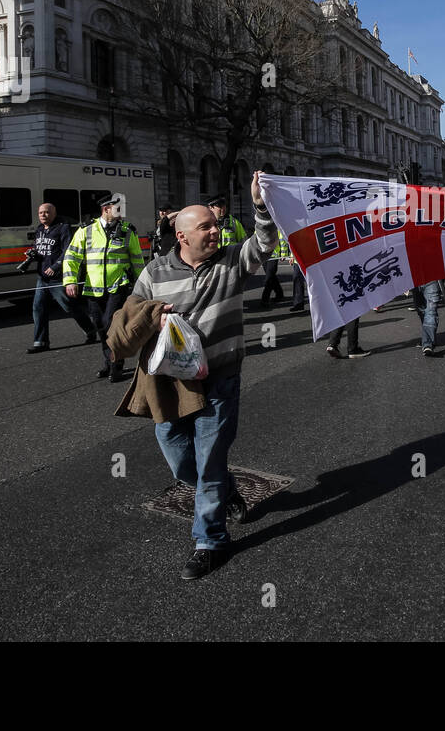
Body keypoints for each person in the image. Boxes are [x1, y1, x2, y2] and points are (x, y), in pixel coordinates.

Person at [107, 173, 276, 580]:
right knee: (181, 460)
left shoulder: (233, 262)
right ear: (182, 236)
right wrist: (151, 316)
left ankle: (209, 541)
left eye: (215, 226)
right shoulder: (154, 272)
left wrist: (260, 205)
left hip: (220, 377)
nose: (216, 231)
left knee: (210, 463)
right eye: (206, 227)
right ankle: (229, 491)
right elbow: (127, 321)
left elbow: (265, 243)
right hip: (173, 383)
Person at [63, 195, 146, 382]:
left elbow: (137, 259)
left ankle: (116, 364)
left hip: (118, 285)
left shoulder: (127, 231)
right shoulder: (86, 231)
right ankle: (108, 363)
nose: (122, 213)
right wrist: (70, 280)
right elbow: (72, 257)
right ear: (106, 209)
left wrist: (143, 286)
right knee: (101, 326)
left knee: (111, 323)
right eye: (118, 209)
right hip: (93, 288)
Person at [27, 202, 97, 353]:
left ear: (54, 213)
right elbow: (40, 249)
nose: (43, 215)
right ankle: (40, 342)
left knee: (69, 307)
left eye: (46, 212)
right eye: (40, 213)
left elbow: (68, 251)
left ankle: (90, 330)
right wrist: (33, 254)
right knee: (38, 308)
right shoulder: (39, 229)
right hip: (43, 277)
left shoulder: (62, 228)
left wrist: (56, 267)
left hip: (58, 278)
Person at [260, 230, 290, 307]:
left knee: (269, 278)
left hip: (273, 256)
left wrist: (284, 254)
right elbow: (256, 240)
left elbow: (282, 240)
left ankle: (265, 300)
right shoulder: (259, 225)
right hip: (263, 256)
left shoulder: (275, 226)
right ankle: (279, 294)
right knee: (271, 276)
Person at [413, 280, 442, 356]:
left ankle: (427, 344)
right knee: (421, 310)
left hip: (432, 278)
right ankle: (425, 338)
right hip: (414, 280)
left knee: (431, 311)